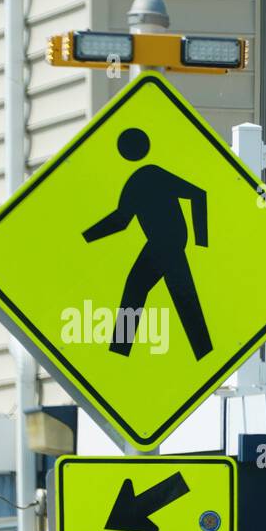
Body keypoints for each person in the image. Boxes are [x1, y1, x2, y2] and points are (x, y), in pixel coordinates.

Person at [82, 127, 213, 361]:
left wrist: (201, 242)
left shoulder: (148, 175)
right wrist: (87, 236)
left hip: (167, 242)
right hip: (163, 243)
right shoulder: (138, 180)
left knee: (143, 288)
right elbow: (122, 220)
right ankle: (203, 352)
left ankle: (119, 352)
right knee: (180, 295)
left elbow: (198, 194)